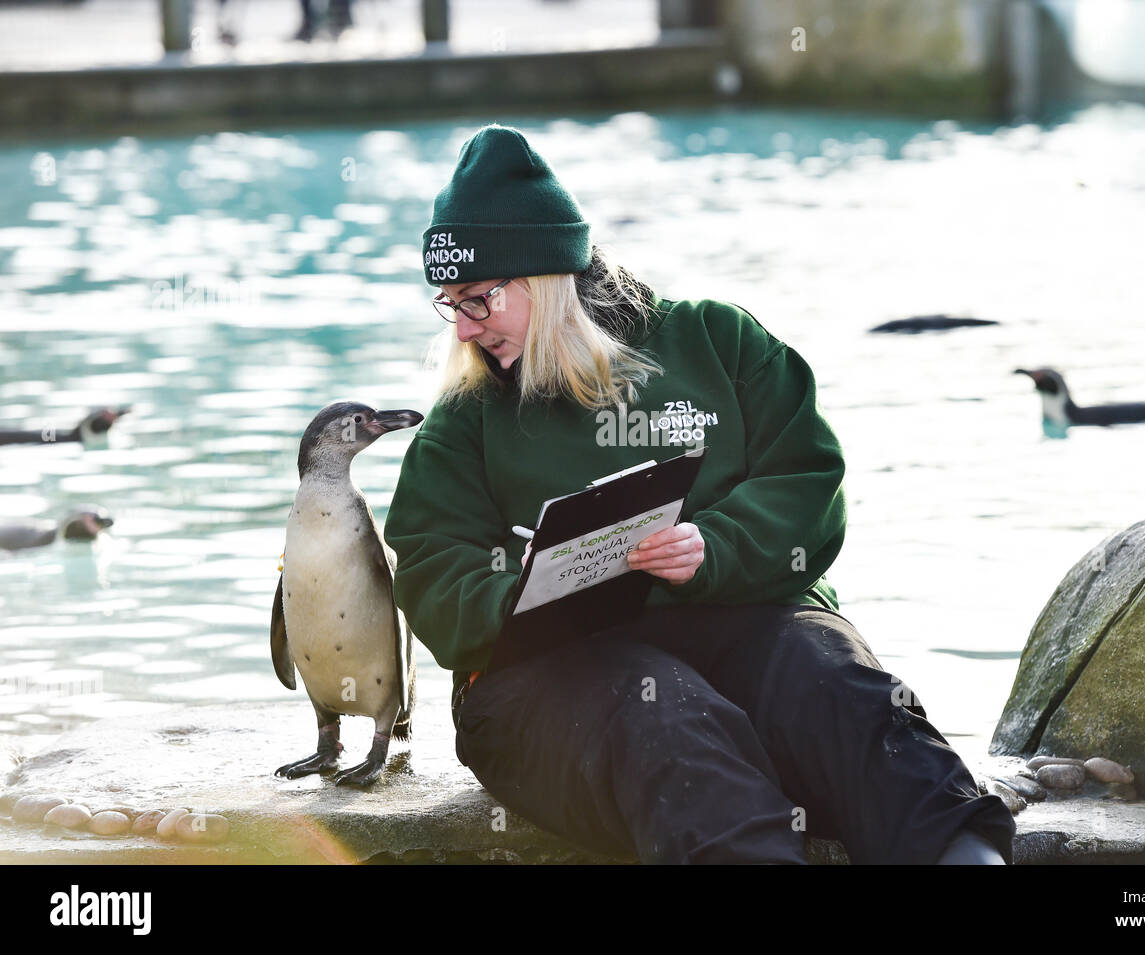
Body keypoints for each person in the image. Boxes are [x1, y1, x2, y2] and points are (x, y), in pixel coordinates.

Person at [383, 124, 1015, 864]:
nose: (463, 327)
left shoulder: (718, 340)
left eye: (479, 300)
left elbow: (807, 479)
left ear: (547, 281)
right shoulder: (465, 418)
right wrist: (524, 594)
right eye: (449, 303)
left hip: (745, 621)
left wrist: (711, 547)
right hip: (547, 672)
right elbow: (428, 564)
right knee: (663, 715)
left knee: (834, 686)